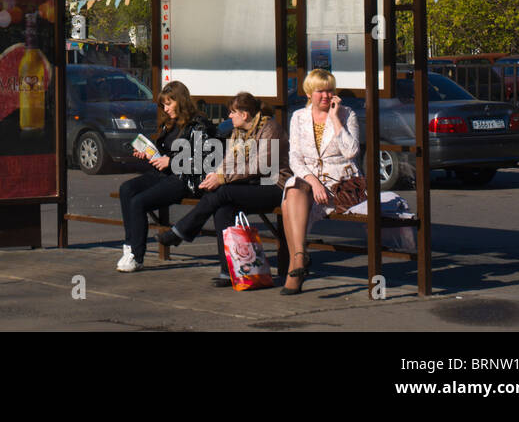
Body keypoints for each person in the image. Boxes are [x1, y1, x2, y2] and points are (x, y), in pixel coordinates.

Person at [156, 92, 290, 286]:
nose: (229, 116)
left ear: (244, 114)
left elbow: (261, 166)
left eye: (232, 112)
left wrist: (223, 178)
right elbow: (229, 161)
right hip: (249, 185)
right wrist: (216, 174)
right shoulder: (239, 131)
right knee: (222, 207)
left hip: (275, 186)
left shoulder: (270, 128)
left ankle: (181, 231)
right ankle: (228, 271)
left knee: (223, 192)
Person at [115, 80, 214, 272]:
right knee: (126, 189)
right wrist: (150, 154)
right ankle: (129, 245)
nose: (166, 109)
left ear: (181, 101)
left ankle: (137, 255)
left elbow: (203, 160)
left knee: (139, 202)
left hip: (184, 178)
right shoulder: (170, 124)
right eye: (163, 105)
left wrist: (171, 162)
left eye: (169, 103)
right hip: (164, 173)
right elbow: (165, 152)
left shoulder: (199, 124)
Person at [280, 68, 361, 294]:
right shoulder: (298, 117)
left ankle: (295, 265)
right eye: (320, 91)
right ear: (309, 93)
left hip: (343, 183)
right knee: (294, 190)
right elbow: (294, 156)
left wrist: (335, 120)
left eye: (330, 91)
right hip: (310, 180)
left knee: (288, 203)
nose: (326, 96)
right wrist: (313, 182)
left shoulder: (347, 114)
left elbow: (351, 152)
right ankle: (299, 257)